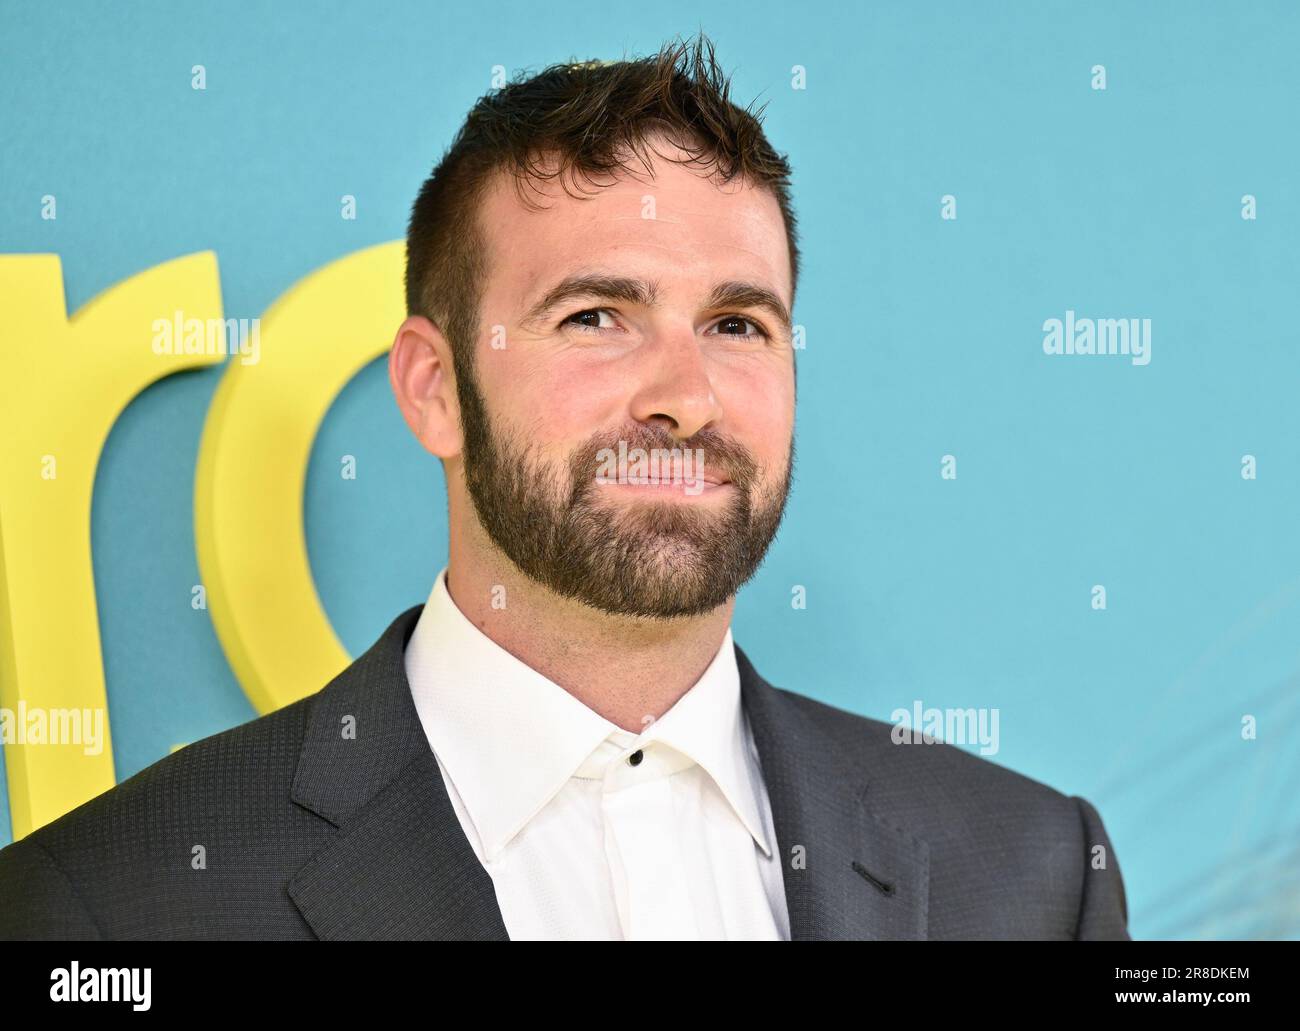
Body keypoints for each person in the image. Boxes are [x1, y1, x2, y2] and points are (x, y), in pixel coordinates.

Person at [0, 32, 1129, 941]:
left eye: (737, 323)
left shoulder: (1031, 875)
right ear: (433, 386)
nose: (685, 395)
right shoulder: (109, 905)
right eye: (596, 316)